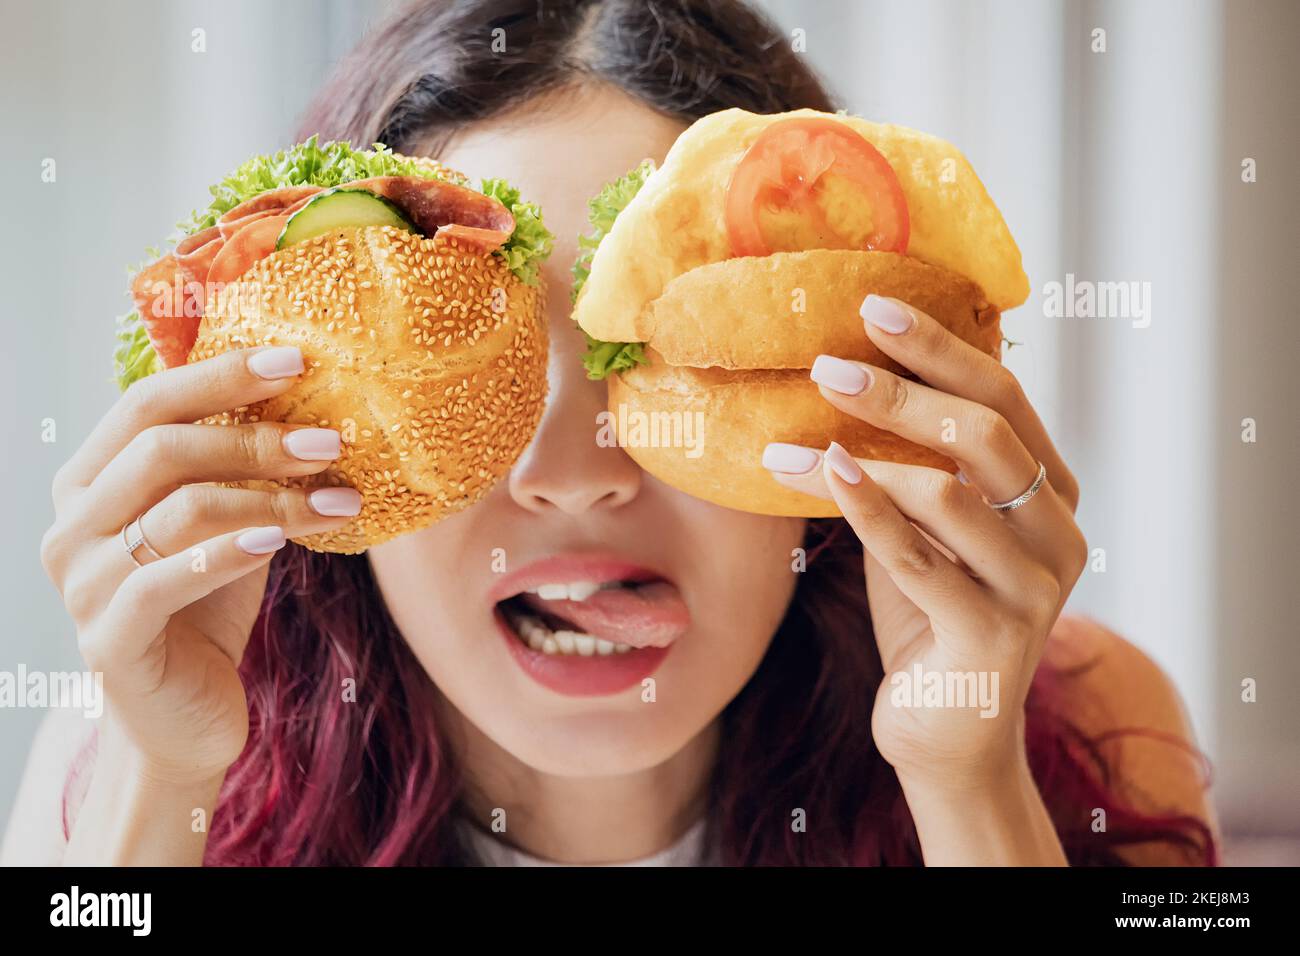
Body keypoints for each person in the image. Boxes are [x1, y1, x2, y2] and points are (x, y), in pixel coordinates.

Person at [6, 0, 1216, 866]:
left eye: (661, 362)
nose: (574, 478)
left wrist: (965, 781)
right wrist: (158, 793)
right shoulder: (134, 751)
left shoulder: (1086, 718)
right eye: (475, 368)